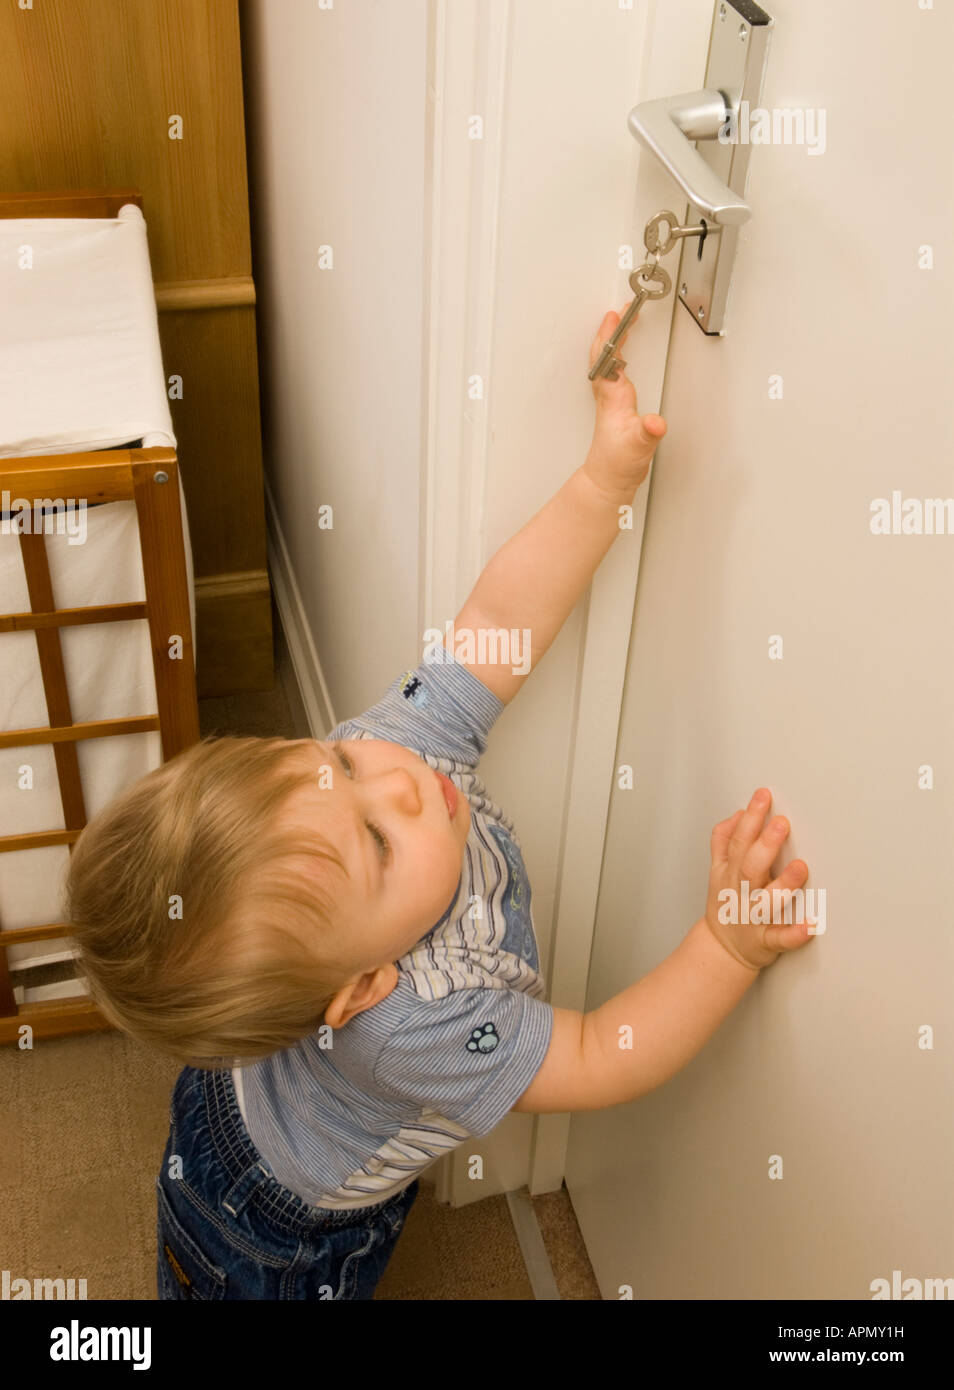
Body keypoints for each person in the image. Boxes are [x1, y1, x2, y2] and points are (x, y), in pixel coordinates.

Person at [65, 305, 817, 1300]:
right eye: (378, 841)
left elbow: (497, 623)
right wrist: (723, 949)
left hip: (250, 1094)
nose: (400, 781)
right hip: (273, 1223)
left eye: (331, 766)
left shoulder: (375, 760)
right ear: (361, 989)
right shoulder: (421, 1024)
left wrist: (602, 481)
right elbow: (593, 1056)